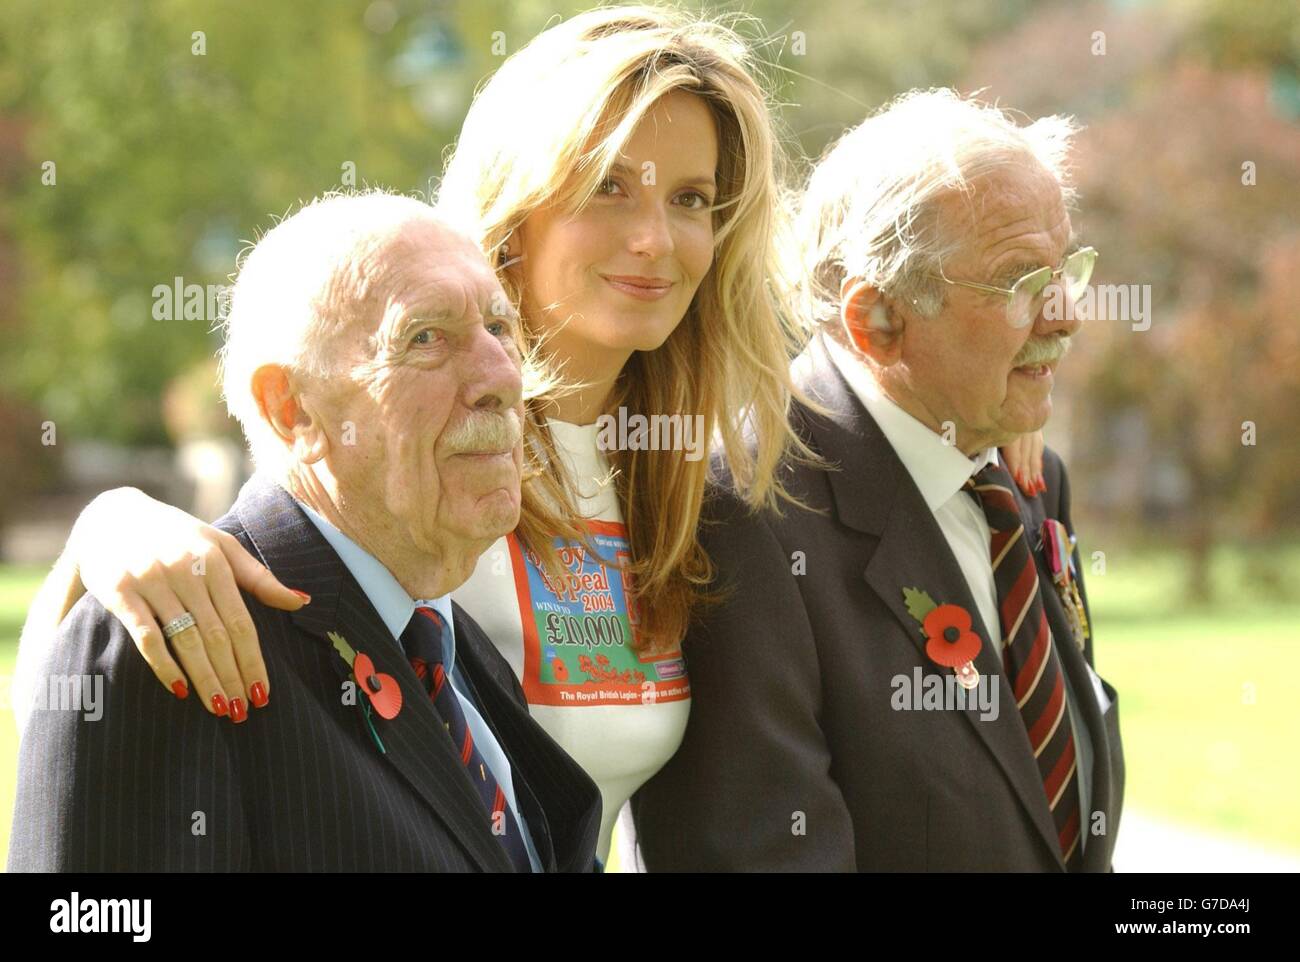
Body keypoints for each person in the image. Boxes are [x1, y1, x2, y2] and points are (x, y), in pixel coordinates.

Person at [11, 8, 1047, 869]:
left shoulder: (701, 484)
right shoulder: (415, 440)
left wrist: (994, 454)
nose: (657, 238)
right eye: (611, 185)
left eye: (691, 199)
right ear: (520, 199)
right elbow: (223, 580)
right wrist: (112, 524)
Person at [8, 192, 601, 871]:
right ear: (292, 409)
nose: (501, 377)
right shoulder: (170, 641)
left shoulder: (449, 645)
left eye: (500, 328)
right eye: (426, 338)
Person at [632, 89, 1124, 872]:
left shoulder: (1026, 479)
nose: (1067, 313)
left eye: (1066, 268)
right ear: (878, 323)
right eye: (1020, 282)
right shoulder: (741, 513)